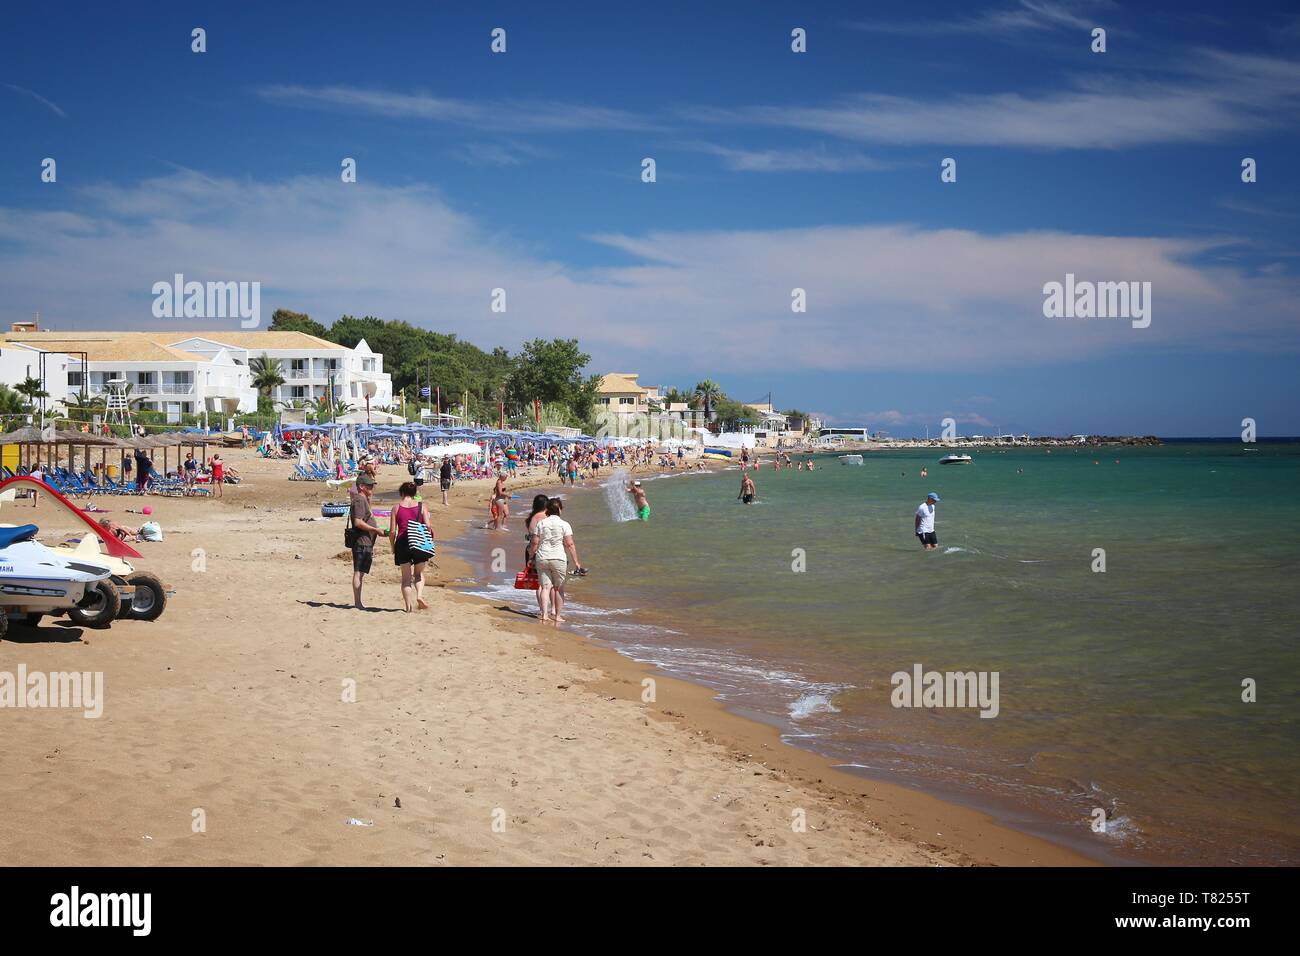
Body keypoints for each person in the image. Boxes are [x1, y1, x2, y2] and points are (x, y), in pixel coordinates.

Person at [528, 497, 583, 626]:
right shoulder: (565, 524)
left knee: (545, 587)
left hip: (542, 557)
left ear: (547, 509)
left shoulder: (541, 523)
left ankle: (545, 615)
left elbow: (535, 543)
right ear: (560, 509)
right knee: (558, 588)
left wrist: (531, 558)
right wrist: (576, 562)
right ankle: (557, 616)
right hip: (558, 558)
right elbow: (570, 544)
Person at [391, 481, 434, 612]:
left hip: (402, 543)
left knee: (406, 579)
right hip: (419, 542)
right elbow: (428, 526)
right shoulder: (422, 506)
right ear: (415, 493)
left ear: (402, 493)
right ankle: (419, 596)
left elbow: (392, 531)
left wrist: (393, 547)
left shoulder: (396, 508)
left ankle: (408, 607)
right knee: (419, 574)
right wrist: (429, 540)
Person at [348, 474, 388, 609]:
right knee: (358, 572)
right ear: (361, 487)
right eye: (369, 486)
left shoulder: (363, 499)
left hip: (366, 541)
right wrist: (375, 530)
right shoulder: (359, 500)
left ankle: (358, 602)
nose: (372, 487)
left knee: (361, 572)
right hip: (361, 541)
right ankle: (357, 602)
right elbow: (358, 522)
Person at [523, 493, 551, 616]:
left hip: (530, 549)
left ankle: (541, 608)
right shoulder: (545, 517)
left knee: (537, 582)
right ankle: (547, 609)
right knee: (546, 583)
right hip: (542, 550)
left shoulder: (531, 518)